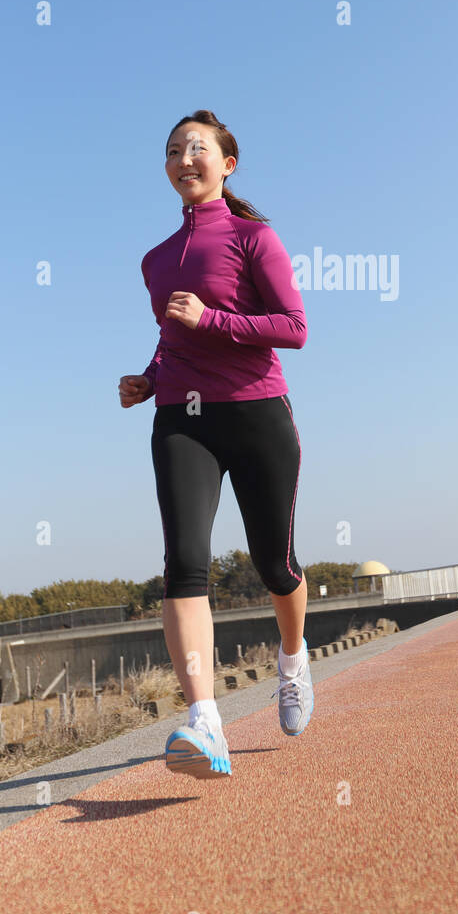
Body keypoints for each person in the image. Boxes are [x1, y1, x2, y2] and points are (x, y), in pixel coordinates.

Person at [118, 110, 313, 779]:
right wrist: (149, 376)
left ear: (228, 164)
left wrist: (215, 319)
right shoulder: (154, 260)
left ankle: (292, 660)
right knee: (185, 564)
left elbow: (294, 327)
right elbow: (174, 335)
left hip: (258, 413)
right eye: (172, 151)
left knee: (275, 564)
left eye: (196, 149)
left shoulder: (255, 239)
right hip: (182, 420)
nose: (182, 159)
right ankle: (205, 721)